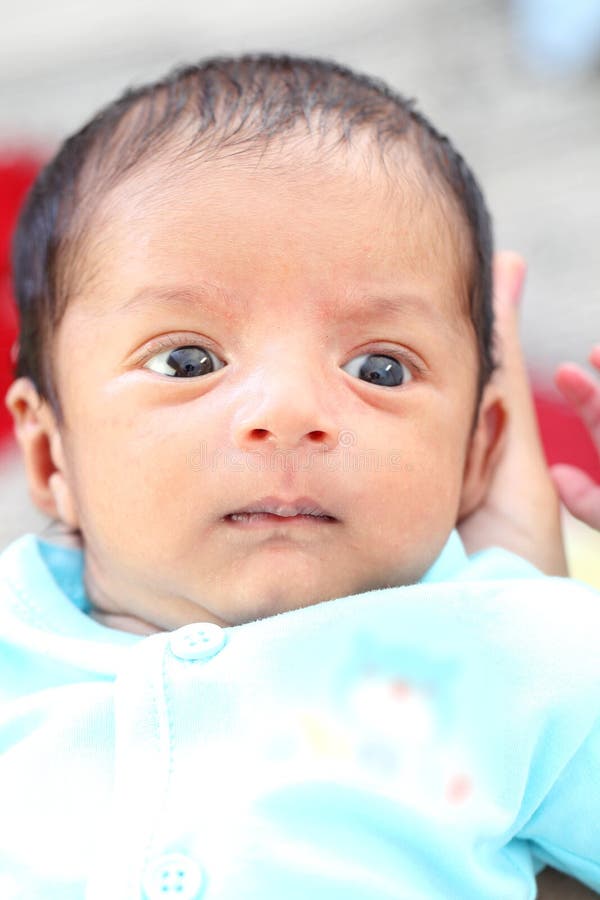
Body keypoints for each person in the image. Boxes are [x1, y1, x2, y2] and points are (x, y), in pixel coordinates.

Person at [1, 55, 598, 899]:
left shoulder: (530, 654)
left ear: (477, 454)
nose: (287, 410)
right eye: (187, 358)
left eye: (381, 368)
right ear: (50, 455)